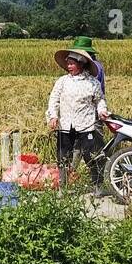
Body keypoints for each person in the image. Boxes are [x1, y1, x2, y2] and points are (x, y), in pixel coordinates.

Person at [46, 48, 110, 196]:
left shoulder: (92, 83)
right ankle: (63, 188)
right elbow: (54, 100)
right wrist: (53, 116)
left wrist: (102, 111)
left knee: (91, 156)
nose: (69, 66)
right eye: (67, 64)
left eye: (72, 64)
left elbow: (99, 100)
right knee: (63, 157)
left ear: (81, 65)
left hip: (86, 124)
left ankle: (97, 186)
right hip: (66, 125)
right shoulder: (62, 82)